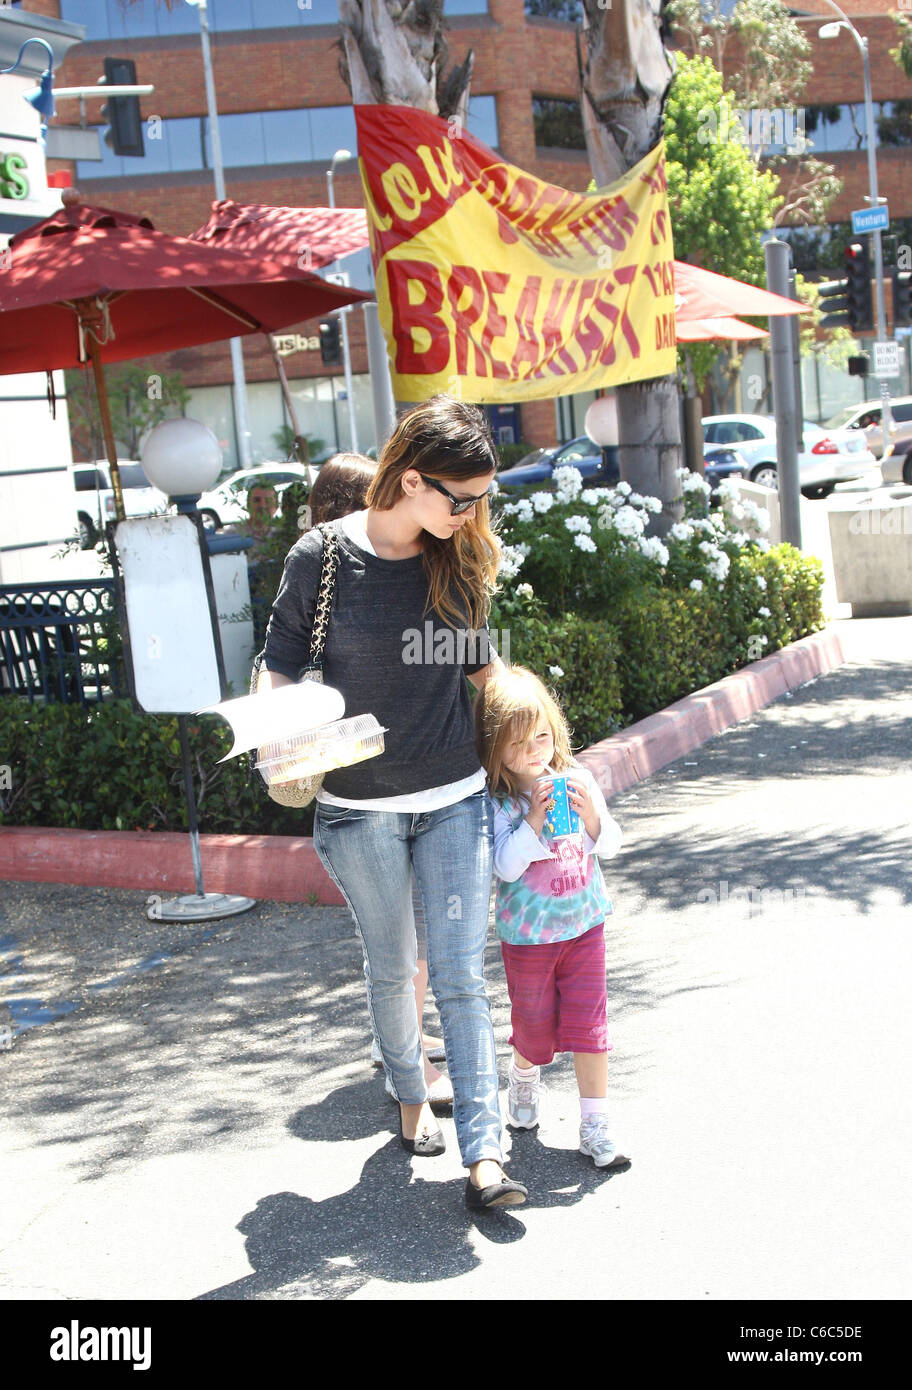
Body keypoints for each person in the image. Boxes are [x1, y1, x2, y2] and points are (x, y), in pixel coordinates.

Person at [259, 396, 527, 1211]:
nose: (474, 512)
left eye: (481, 497)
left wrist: (538, 742)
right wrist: (278, 724)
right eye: (462, 497)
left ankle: (485, 1154)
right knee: (391, 966)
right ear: (411, 480)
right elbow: (279, 662)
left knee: (459, 978)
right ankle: (412, 1096)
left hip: (451, 794)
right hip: (358, 805)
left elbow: (478, 665)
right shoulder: (321, 557)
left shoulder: (458, 555)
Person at [307, 452, 451, 1103]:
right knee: (403, 934)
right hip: (374, 777)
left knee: (400, 932)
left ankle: (402, 1041)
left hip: (377, 772)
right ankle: (405, 1057)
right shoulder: (343, 575)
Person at [474, 665, 629, 1169]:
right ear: (495, 748)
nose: (535, 751)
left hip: (584, 925)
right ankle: (522, 1075)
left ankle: (595, 1123)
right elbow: (504, 865)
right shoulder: (499, 803)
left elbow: (610, 843)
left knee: (590, 1024)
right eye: (519, 744)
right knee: (535, 1028)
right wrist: (534, 824)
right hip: (530, 938)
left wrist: (591, 819)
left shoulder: (576, 780)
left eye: (542, 736)